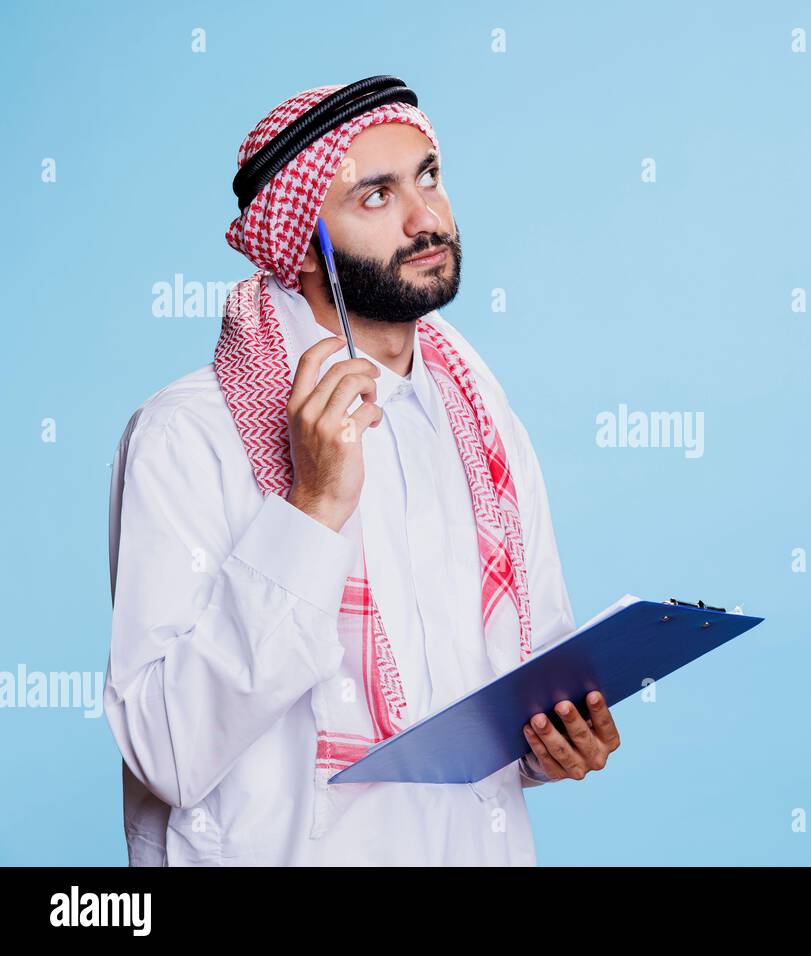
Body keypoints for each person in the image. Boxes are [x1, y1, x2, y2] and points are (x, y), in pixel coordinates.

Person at [104, 76, 619, 866]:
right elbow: (168, 750)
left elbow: (520, 679)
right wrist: (309, 510)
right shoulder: (187, 433)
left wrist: (553, 742)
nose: (427, 219)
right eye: (376, 197)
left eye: (429, 177)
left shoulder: (481, 417)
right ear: (302, 246)